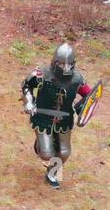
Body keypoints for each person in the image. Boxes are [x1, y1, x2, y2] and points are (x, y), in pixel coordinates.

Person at [20, 43, 93, 188]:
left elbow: (89, 96)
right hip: (43, 118)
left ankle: (51, 174)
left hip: (64, 120)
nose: (66, 68)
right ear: (55, 62)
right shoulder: (41, 74)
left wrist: (82, 110)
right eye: (62, 64)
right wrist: (29, 102)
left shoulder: (77, 79)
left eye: (69, 64)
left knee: (64, 152)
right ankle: (41, 146)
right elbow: (26, 85)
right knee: (47, 153)